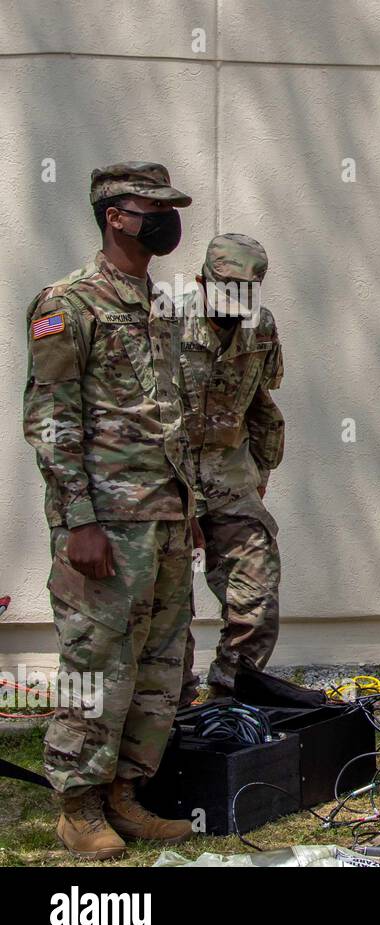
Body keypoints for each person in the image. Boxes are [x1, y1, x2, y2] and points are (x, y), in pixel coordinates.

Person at [23, 161, 201, 858]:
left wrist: (188, 509)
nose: (165, 218)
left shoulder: (160, 304)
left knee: (160, 667)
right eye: (148, 206)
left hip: (163, 520)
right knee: (100, 663)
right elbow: (52, 419)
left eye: (168, 206)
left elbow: (170, 415)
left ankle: (126, 796)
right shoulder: (68, 302)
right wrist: (78, 521)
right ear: (112, 215)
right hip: (106, 524)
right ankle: (78, 806)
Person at [178, 234, 285, 705]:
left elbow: (263, 405)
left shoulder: (261, 328)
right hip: (167, 480)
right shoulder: (161, 322)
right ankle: (170, 709)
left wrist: (261, 471)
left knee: (256, 595)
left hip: (230, 479)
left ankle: (227, 701)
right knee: (166, 610)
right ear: (201, 280)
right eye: (224, 291)